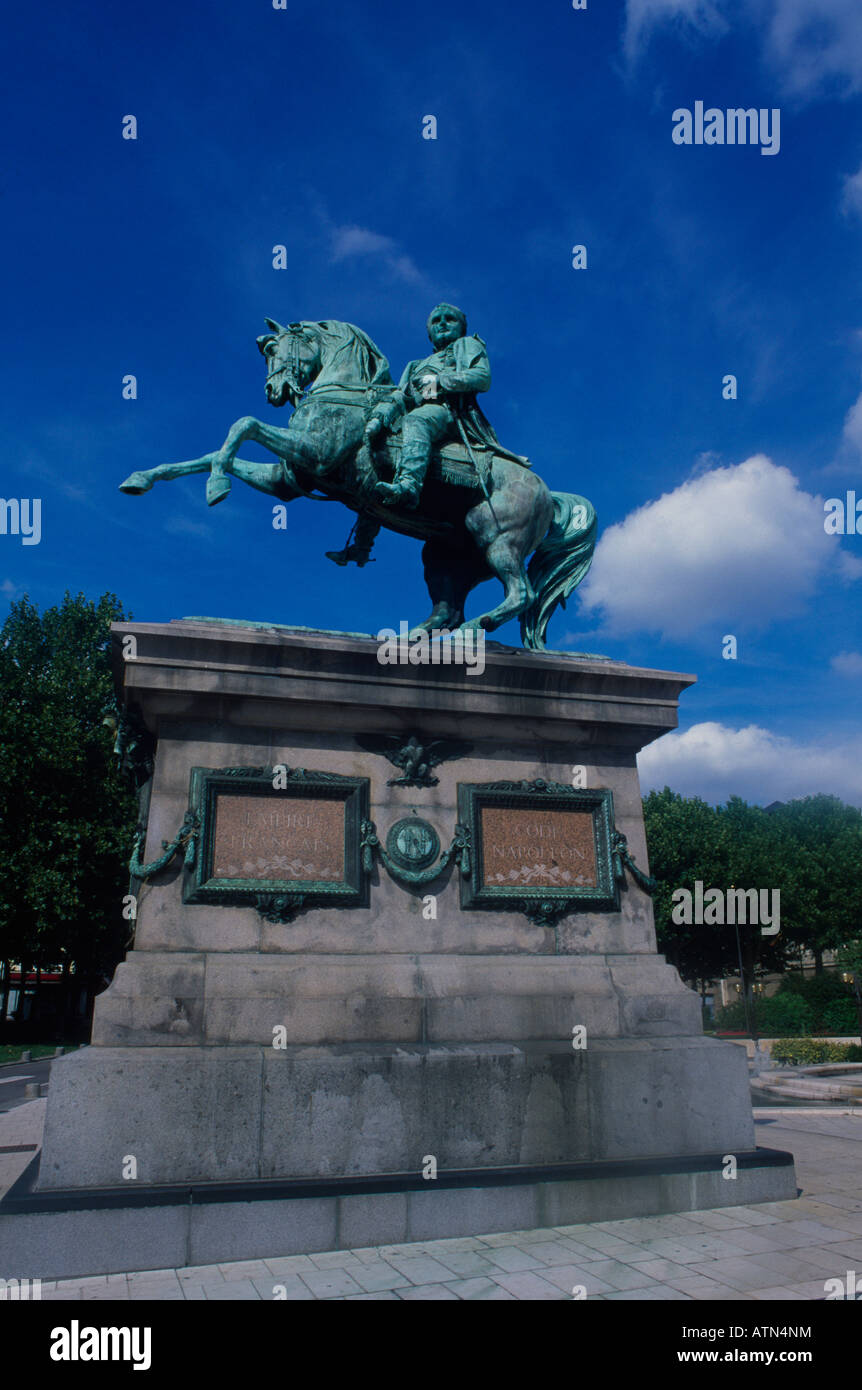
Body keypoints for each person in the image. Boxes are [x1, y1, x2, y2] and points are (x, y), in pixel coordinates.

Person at [368, 303, 527, 509]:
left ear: (461, 328)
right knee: (375, 445)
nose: (442, 323)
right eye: (436, 320)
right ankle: (364, 538)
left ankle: (409, 485)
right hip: (418, 408)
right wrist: (380, 415)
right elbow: (403, 395)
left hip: (450, 411)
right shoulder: (415, 365)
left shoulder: (466, 345)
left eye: (449, 319)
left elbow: (481, 377)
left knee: (417, 420)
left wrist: (439, 380)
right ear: (429, 332)